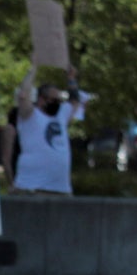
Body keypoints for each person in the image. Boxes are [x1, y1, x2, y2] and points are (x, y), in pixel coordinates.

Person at [11, 64, 89, 194]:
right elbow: (23, 95)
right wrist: (34, 69)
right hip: (32, 188)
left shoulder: (61, 114)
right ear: (41, 99)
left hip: (61, 189)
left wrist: (71, 78)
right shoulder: (29, 115)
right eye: (53, 99)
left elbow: (75, 101)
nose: (57, 103)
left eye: (59, 100)